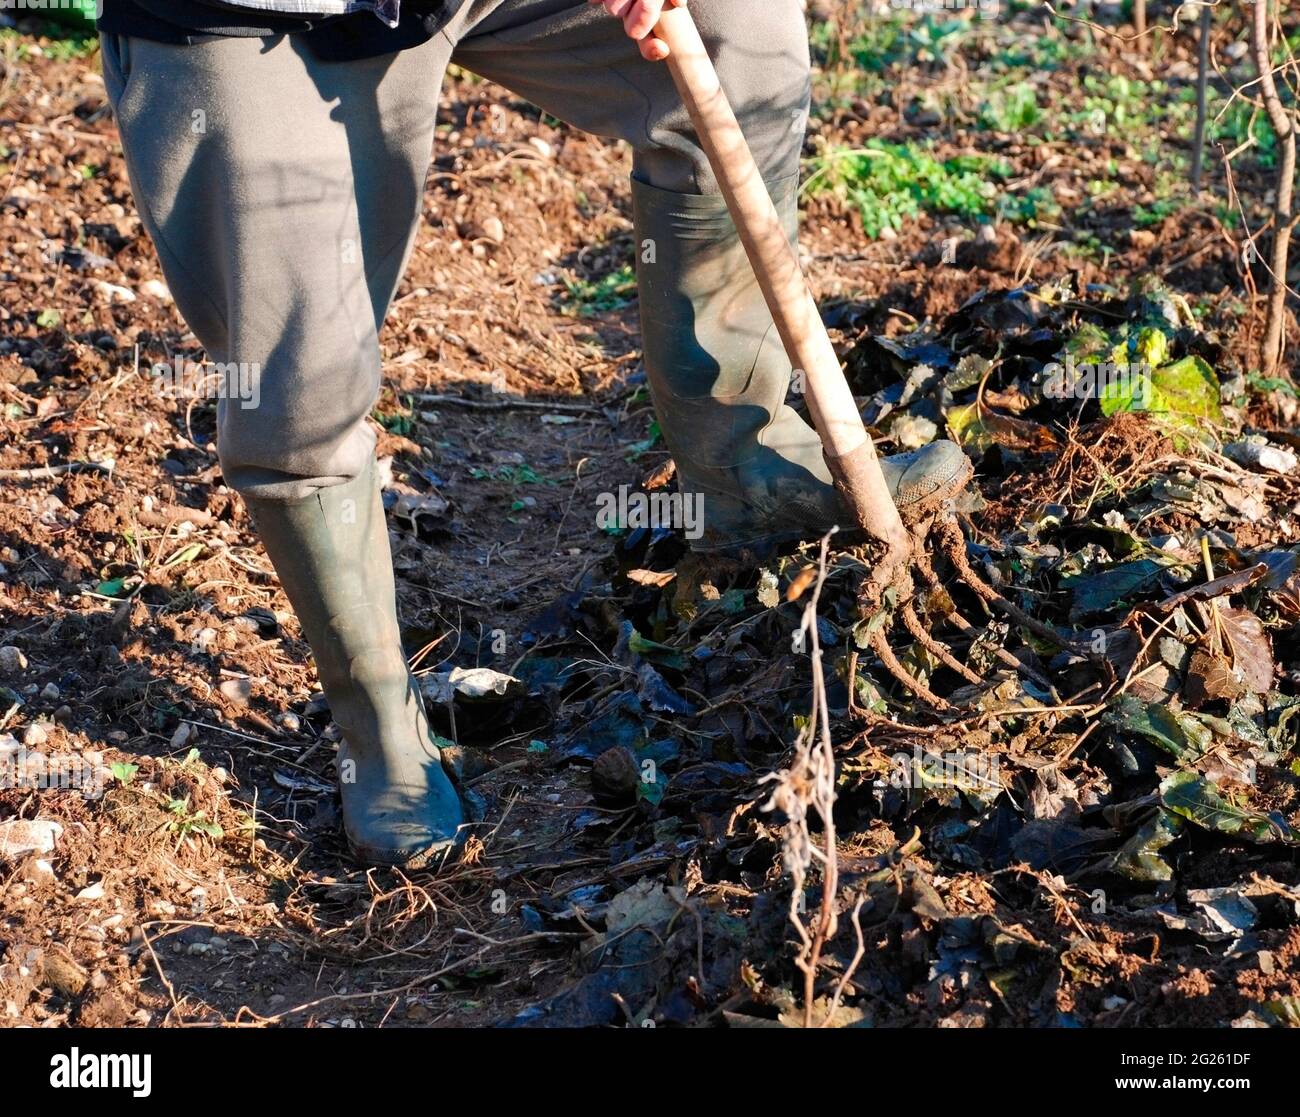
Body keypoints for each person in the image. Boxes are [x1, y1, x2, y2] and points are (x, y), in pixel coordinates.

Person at [95, 0, 966, 865]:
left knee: (742, 37)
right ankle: (375, 722)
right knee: (301, 374)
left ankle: (743, 467)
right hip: (250, 21)